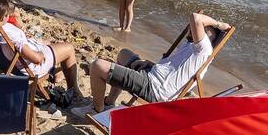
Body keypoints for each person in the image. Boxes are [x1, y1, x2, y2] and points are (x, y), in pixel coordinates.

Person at [81, 11, 231, 113]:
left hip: (153, 89)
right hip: (150, 76)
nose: (199, 29)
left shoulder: (205, 50)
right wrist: (150, 65)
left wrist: (218, 24)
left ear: (209, 37)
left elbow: (196, 18)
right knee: (123, 54)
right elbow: (172, 71)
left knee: (97, 66)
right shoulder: (191, 47)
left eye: (206, 29)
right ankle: (109, 102)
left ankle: (97, 109)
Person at [0, 0, 81, 100]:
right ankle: (74, 90)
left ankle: (56, 72)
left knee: (52, 43)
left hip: (9, 61)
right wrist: (41, 54)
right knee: (69, 48)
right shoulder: (12, 36)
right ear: (4, 16)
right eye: (8, 14)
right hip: (31, 67)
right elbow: (37, 59)